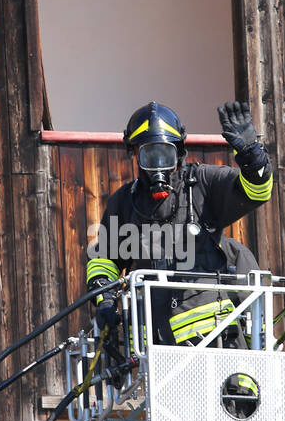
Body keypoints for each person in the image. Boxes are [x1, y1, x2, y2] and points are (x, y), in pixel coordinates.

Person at [84, 99, 273, 348]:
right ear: (135, 154)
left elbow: (257, 192)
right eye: (150, 155)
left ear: (179, 151)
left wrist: (251, 154)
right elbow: (104, 260)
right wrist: (105, 300)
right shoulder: (124, 202)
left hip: (212, 344)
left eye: (165, 153)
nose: (158, 165)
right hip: (151, 351)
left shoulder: (203, 183)